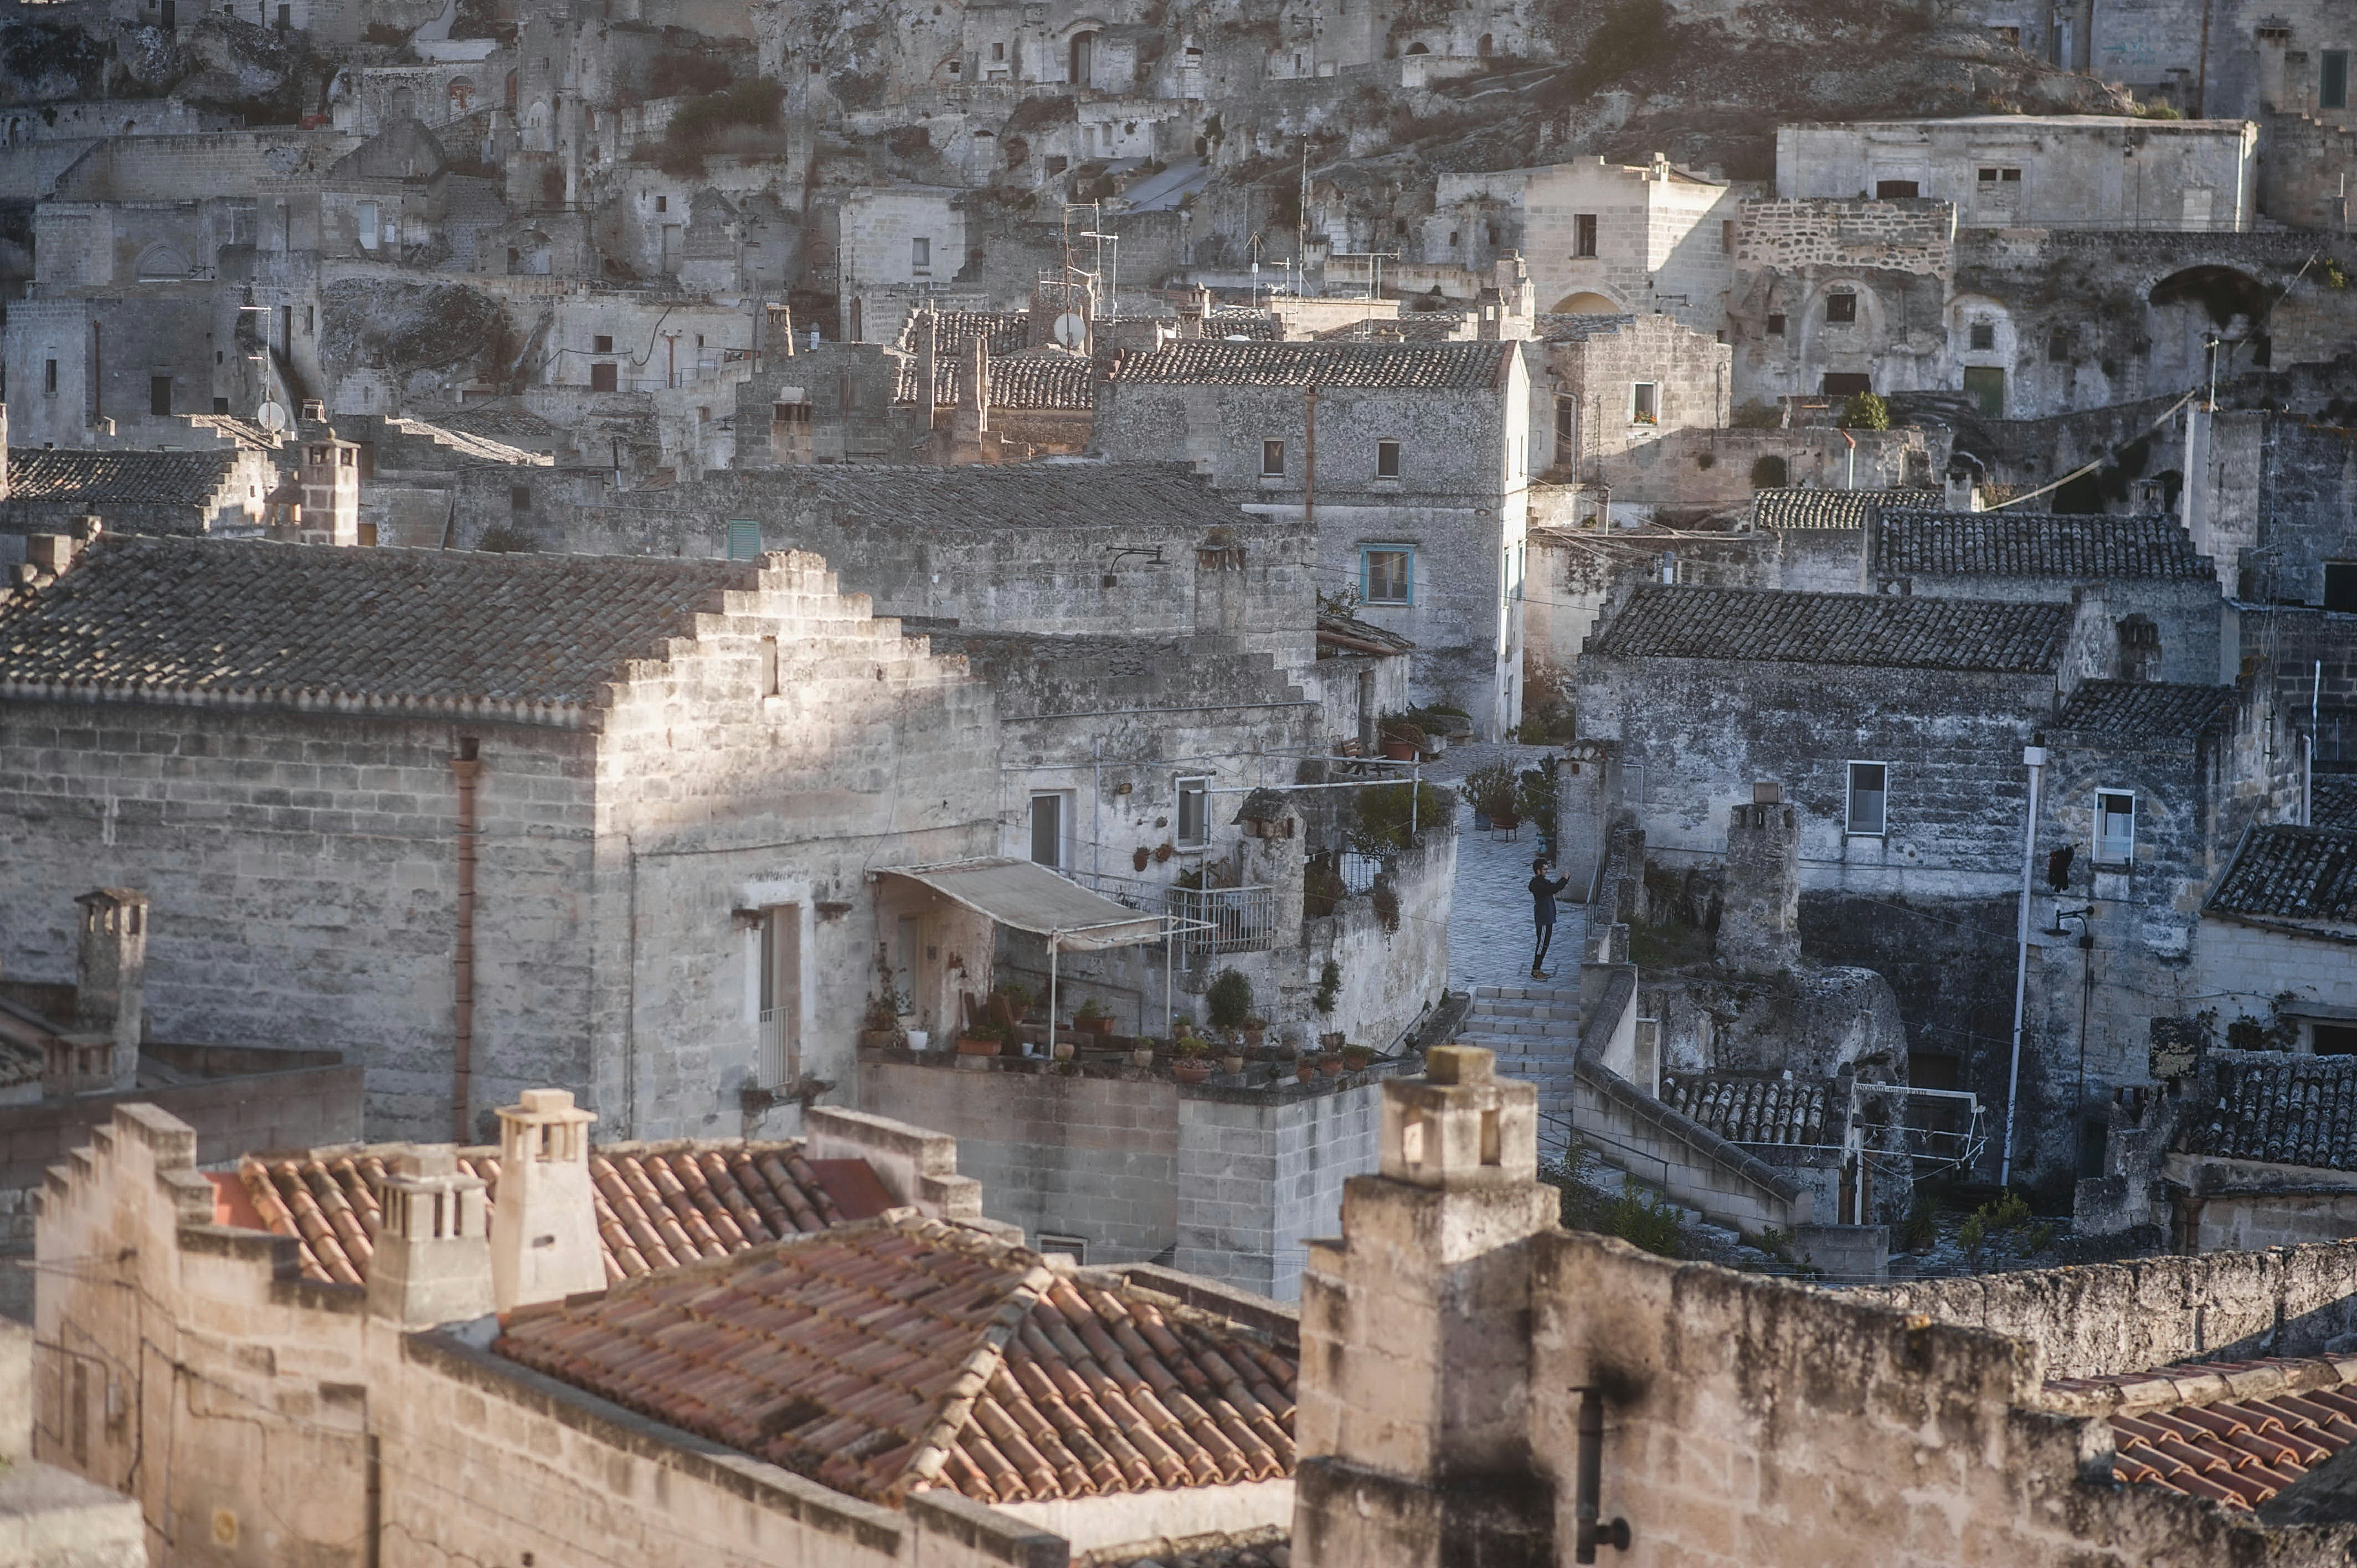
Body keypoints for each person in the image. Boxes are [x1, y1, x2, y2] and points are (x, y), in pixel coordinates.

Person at [1528, 855, 1571, 978]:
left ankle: (1538, 968)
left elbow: (1553, 888)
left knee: (1545, 944)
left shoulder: (1543, 882)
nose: (1547, 871)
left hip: (1548, 917)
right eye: (1545, 869)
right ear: (1538, 871)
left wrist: (1565, 880)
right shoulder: (1537, 884)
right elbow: (1553, 889)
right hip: (1544, 918)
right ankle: (1535, 970)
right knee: (1542, 944)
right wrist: (1564, 880)